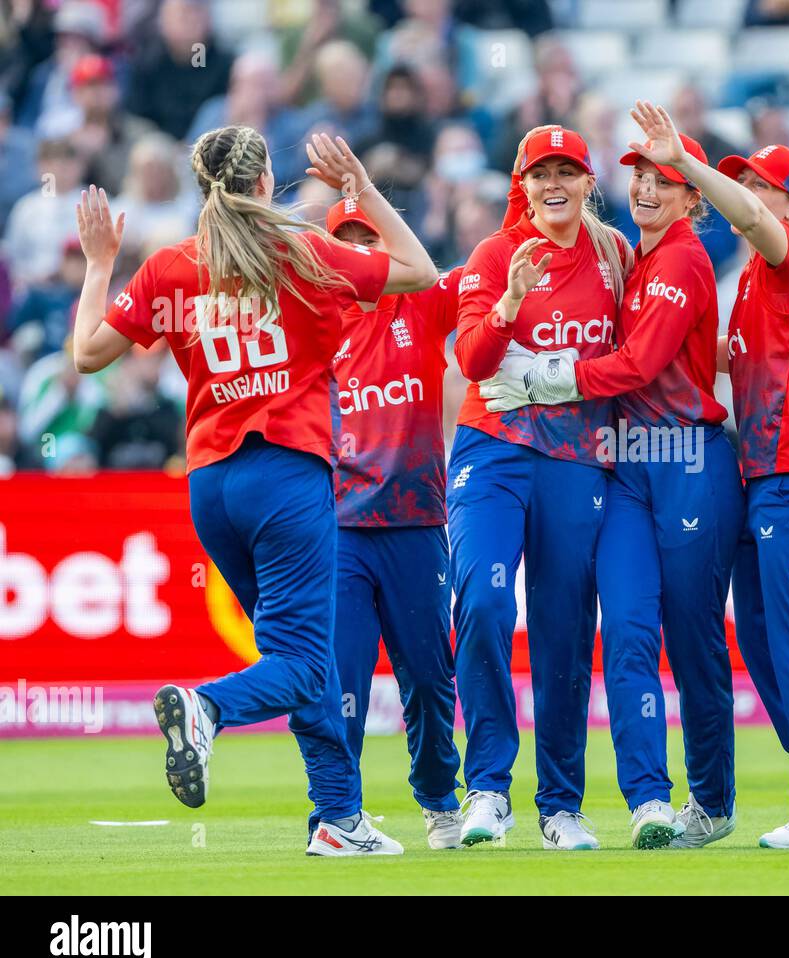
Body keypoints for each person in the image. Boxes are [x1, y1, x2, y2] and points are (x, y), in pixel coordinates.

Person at [69, 125, 437, 855]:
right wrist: (360, 187)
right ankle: (206, 708)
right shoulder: (303, 251)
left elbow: (84, 355)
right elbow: (419, 270)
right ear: (266, 181)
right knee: (302, 661)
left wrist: (98, 264)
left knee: (305, 657)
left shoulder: (171, 267)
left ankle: (338, 817)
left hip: (211, 485)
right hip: (287, 472)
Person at [479, 131, 745, 849]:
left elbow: (637, 362)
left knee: (692, 644)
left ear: (694, 194)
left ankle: (713, 800)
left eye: (664, 180)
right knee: (627, 630)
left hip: (687, 457)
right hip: (627, 464)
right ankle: (650, 800)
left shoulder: (681, 258)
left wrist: (542, 378)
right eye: (639, 178)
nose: (647, 191)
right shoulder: (627, 254)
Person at [621, 103, 789, 849]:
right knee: (764, 648)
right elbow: (724, 361)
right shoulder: (752, 282)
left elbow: (755, 224)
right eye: (744, 183)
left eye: (763, 186)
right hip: (769, 475)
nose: (750, 197)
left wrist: (688, 166)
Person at [451, 125, 631, 851]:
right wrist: (509, 301)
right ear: (520, 186)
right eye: (539, 172)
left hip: (576, 458)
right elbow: (471, 359)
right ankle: (488, 788)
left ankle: (561, 804)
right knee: (486, 600)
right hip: (492, 449)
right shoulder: (496, 256)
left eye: (568, 170)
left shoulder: (617, 256)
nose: (553, 182)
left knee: (562, 629)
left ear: (589, 183)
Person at [310, 197, 465, 851]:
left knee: (429, 678)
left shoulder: (424, 300)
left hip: (415, 520)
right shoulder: (311, 319)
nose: (357, 253)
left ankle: (438, 797)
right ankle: (337, 813)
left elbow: (483, 270)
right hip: (339, 528)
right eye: (343, 241)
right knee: (337, 681)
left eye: (368, 238)